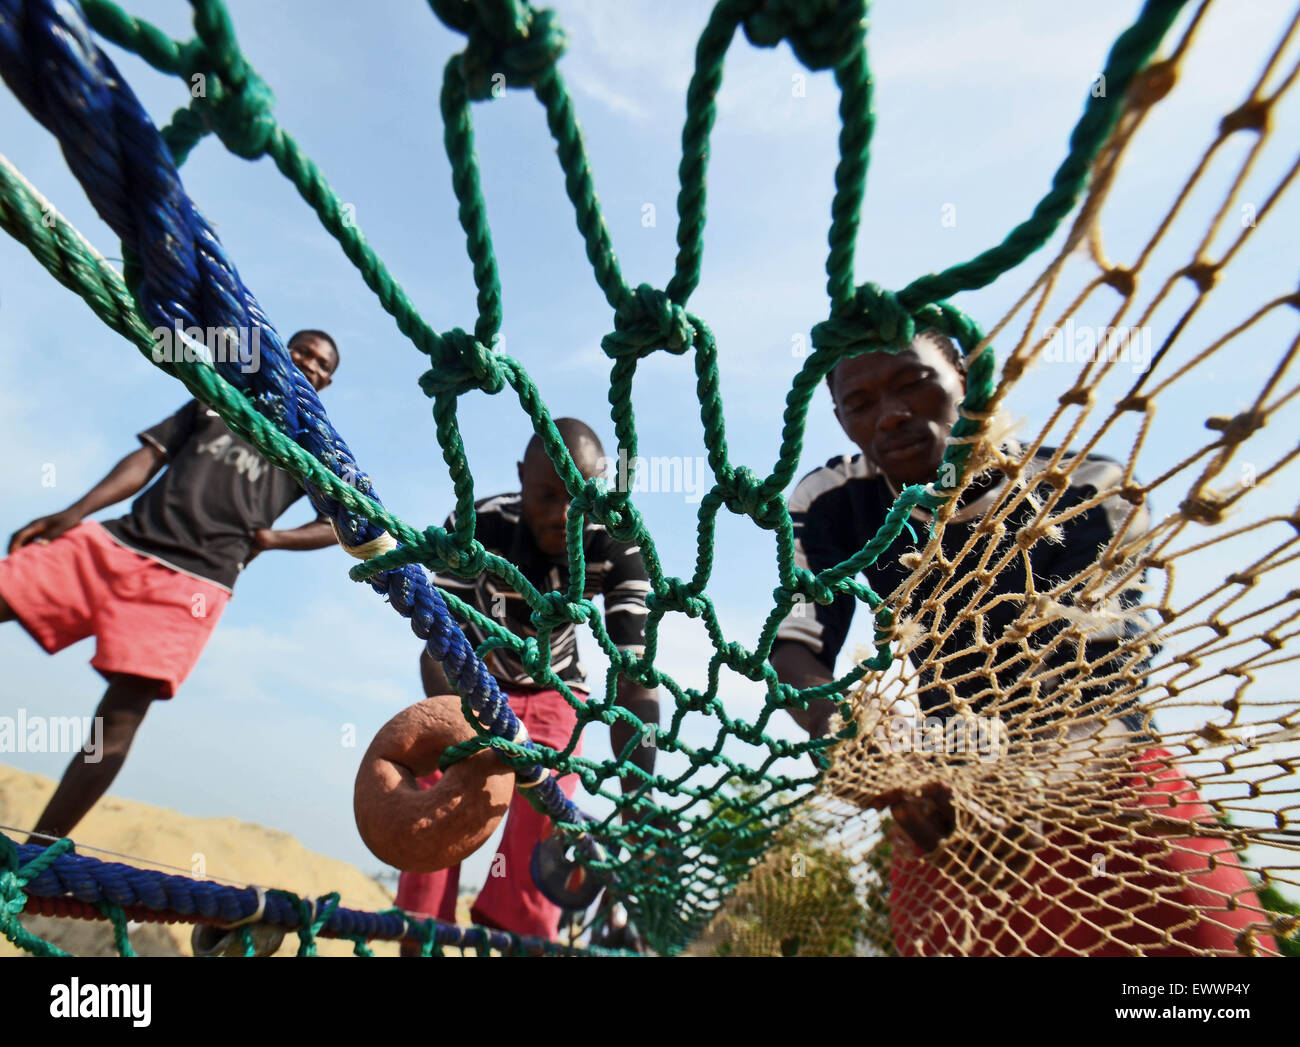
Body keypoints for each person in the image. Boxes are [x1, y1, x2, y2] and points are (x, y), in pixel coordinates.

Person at [770, 328, 1277, 956]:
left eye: (912, 384)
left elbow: (1111, 670)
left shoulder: (1088, 483)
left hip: (1106, 785)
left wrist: (1018, 787)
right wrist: (874, 758)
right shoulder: (833, 499)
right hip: (944, 814)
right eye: (861, 403)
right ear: (841, 419)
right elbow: (797, 651)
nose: (891, 414)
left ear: (968, 378)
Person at [0, 330, 342, 841]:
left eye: (321, 364)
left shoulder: (314, 447)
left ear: (328, 382)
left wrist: (274, 538)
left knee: (119, 719)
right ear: (281, 350)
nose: (309, 364)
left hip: (194, 585)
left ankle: (36, 857)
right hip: (123, 542)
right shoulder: (216, 394)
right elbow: (147, 457)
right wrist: (73, 512)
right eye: (303, 351)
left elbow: (344, 524)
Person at [397, 418, 659, 948]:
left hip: (558, 690)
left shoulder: (618, 543)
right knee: (443, 802)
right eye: (545, 496)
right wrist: (461, 723)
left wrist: (639, 798)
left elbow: (636, 682)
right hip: (471, 680)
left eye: (579, 500)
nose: (563, 517)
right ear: (521, 478)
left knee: (544, 823)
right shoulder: (480, 525)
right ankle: (420, 937)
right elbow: (436, 642)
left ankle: (516, 935)